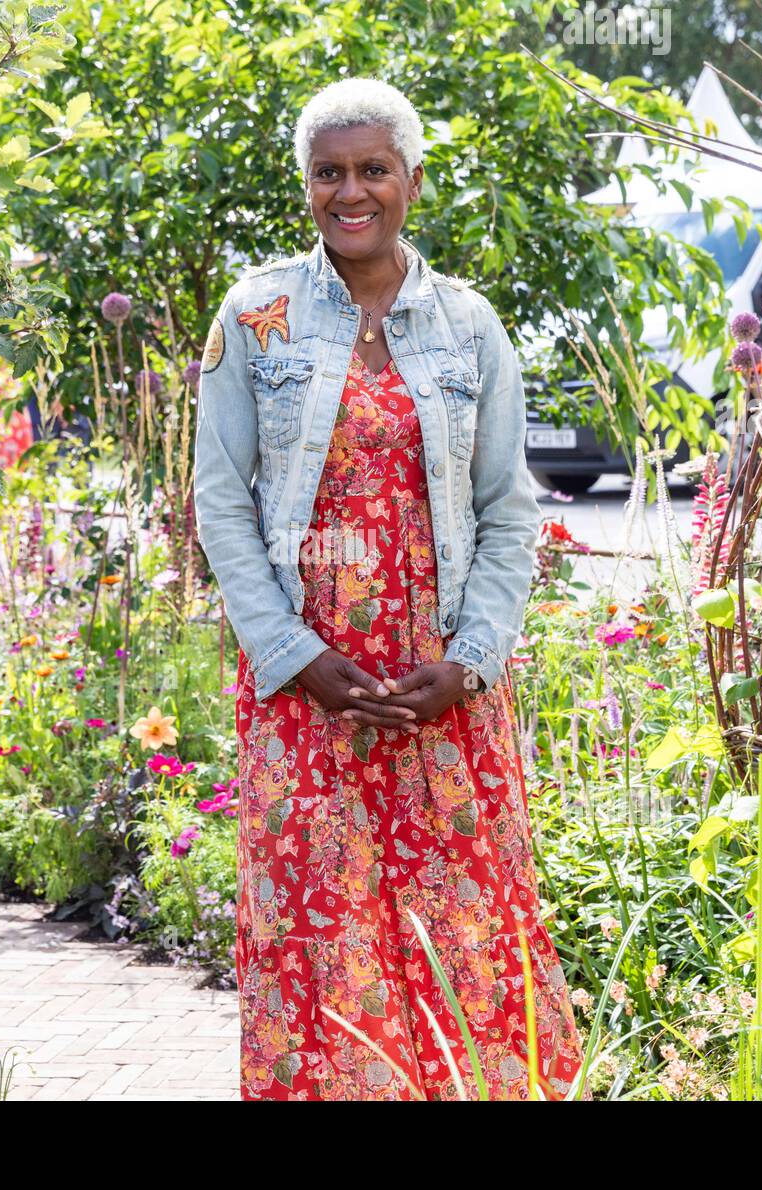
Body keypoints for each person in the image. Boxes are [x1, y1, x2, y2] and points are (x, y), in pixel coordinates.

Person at [193, 77, 585, 1101]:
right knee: (320, 930)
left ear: (411, 178)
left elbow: (506, 507)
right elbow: (220, 505)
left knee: (467, 927)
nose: (350, 191)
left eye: (373, 169)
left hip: (439, 682)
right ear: (306, 185)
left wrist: (470, 661)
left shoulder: (466, 324)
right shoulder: (258, 316)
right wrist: (293, 656)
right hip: (309, 689)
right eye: (329, 172)